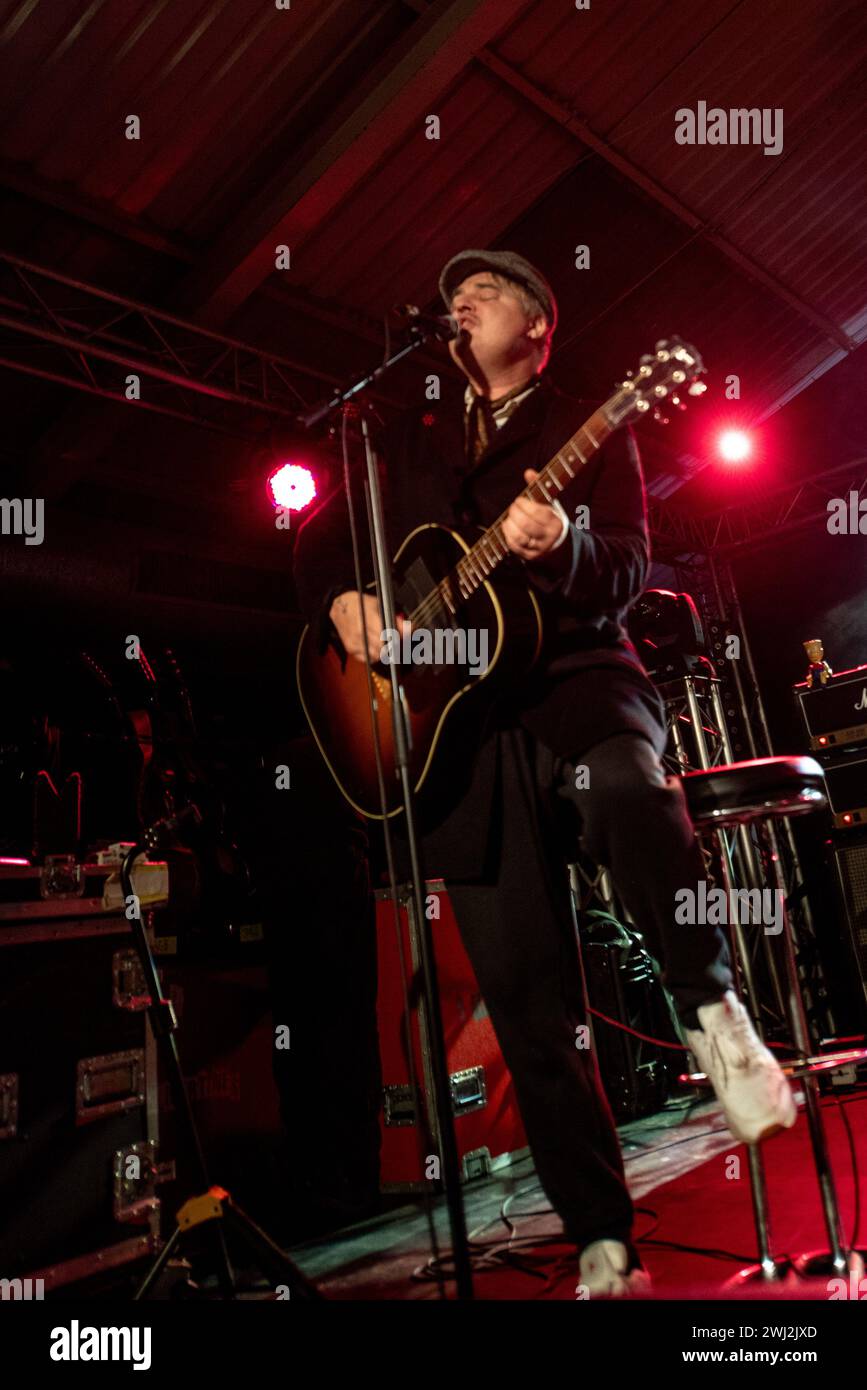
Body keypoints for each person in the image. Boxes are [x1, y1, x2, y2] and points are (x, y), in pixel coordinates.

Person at [292, 250, 796, 1297]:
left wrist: (562, 540)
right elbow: (321, 544)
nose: (457, 304)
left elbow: (624, 568)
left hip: (575, 683)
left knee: (627, 789)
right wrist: (343, 600)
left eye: (484, 291)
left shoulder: (597, 422)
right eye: (450, 296)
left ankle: (714, 1015)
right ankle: (604, 1239)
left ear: (539, 322)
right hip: (463, 739)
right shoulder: (404, 436)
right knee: (526, 1002)